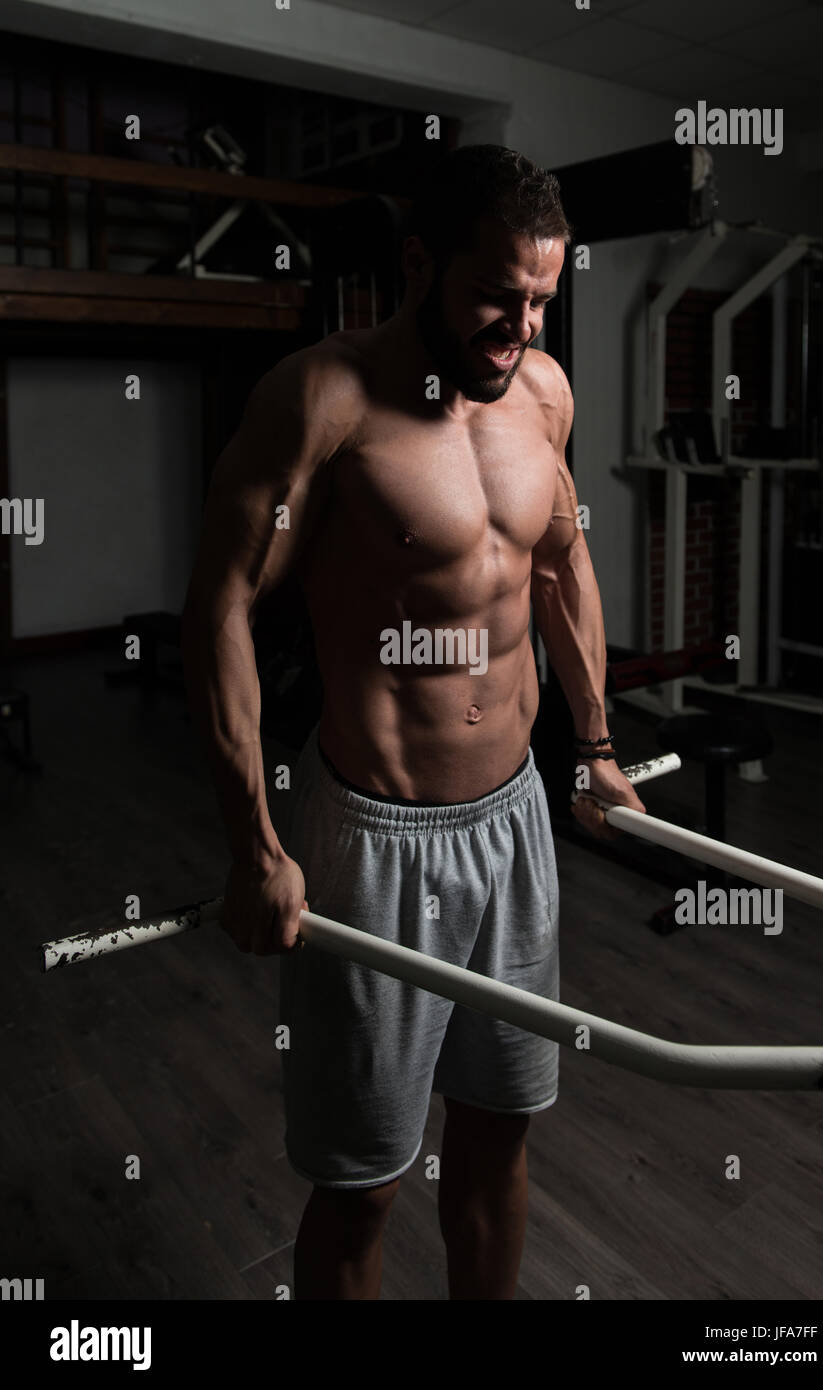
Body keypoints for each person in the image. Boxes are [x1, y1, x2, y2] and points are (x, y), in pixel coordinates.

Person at [181, 144, 646, 1301]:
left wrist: (593, 750)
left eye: (542, 298)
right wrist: (254, 843)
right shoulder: (324, 401)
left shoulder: (544, 396)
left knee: (500, 1130)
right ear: (420, 262)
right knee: (366, 1183)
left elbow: (562, 567)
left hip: (516, 824)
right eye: (499, 294)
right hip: (377, 839)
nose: (523, 326)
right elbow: (221, 605)